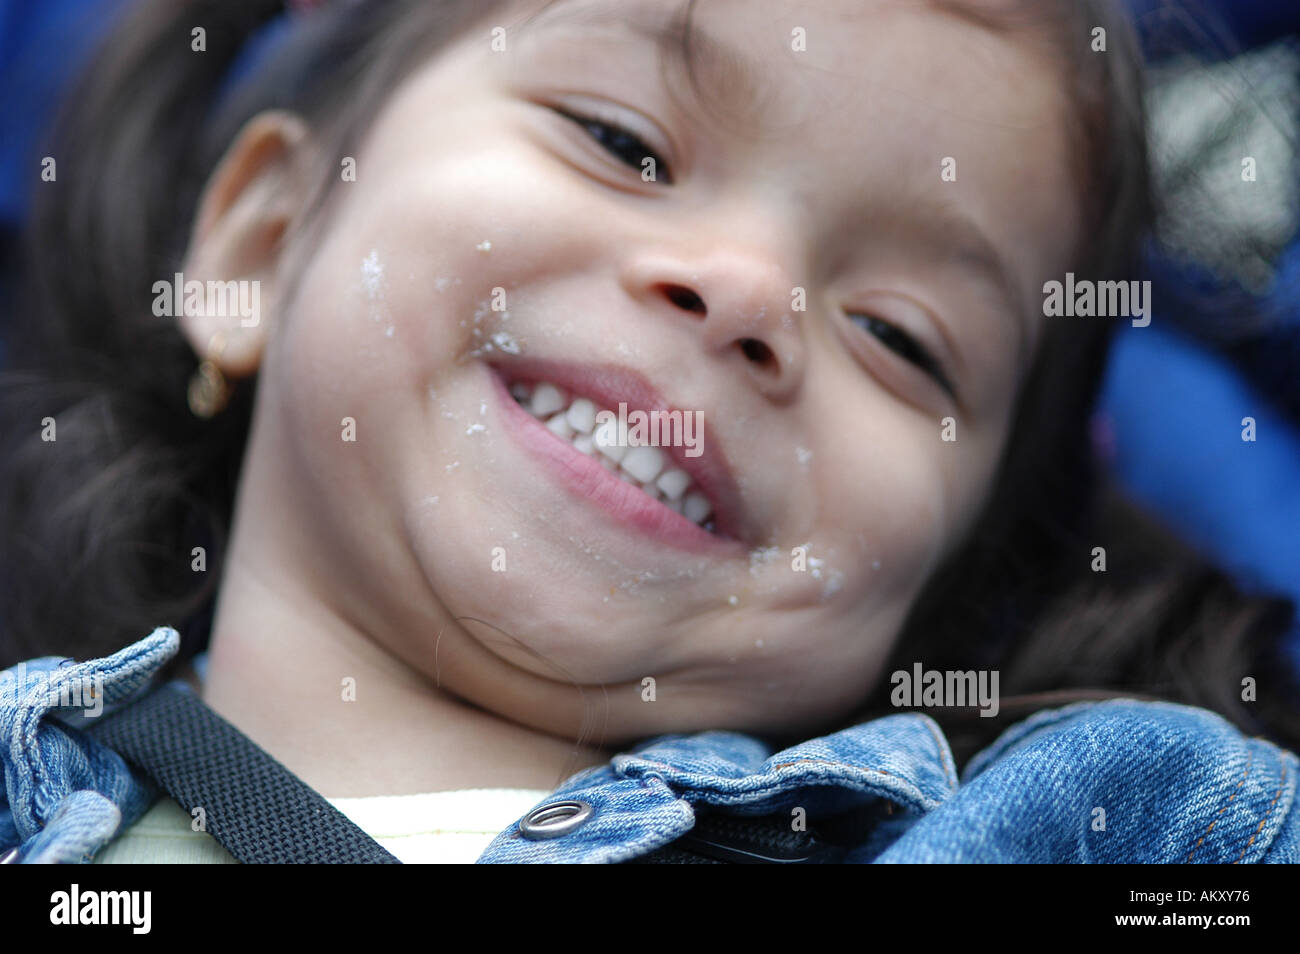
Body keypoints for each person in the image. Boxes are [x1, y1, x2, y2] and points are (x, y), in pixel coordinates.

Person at [2, 0, 1297, 863]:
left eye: (900, 336)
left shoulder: (1112, 822)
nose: (745, 290)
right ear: (264, 242)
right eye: (623, 142)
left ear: (949, 578)